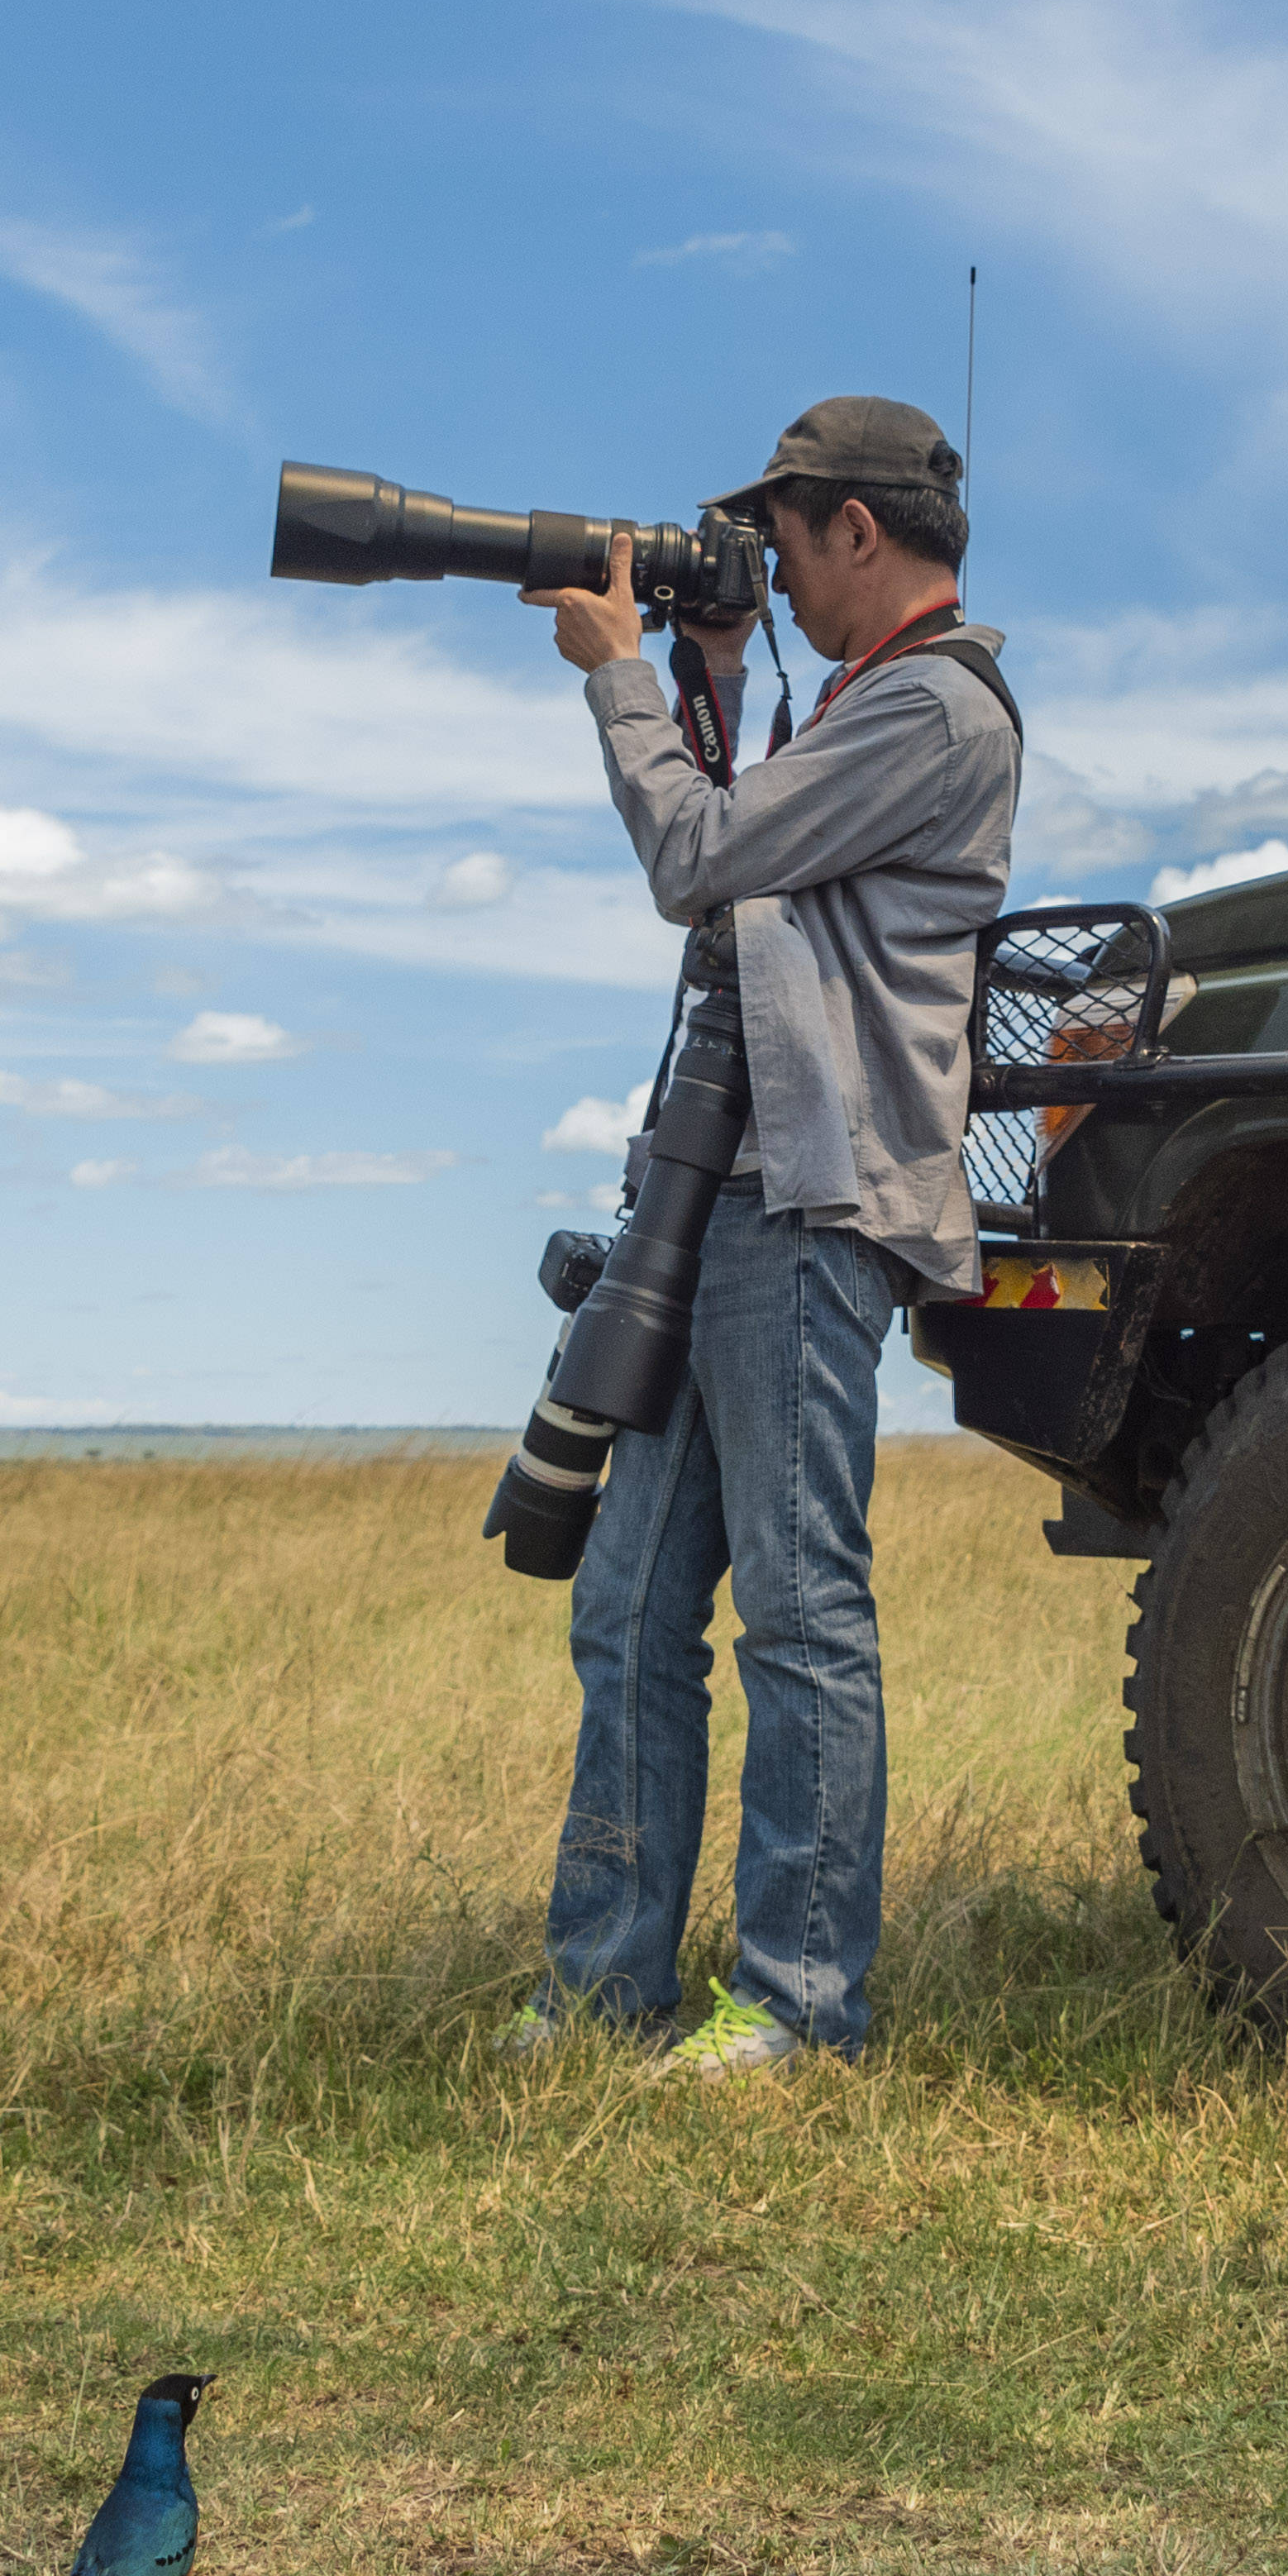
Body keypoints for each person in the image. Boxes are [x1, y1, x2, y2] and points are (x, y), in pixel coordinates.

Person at [512, 394, 1020, 2077]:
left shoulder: (938, 711)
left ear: (855, 530)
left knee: (799, 1617)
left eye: (788, 542)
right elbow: (758, 864)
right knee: (627, 1609)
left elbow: (702, 856)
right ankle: (603, 1990)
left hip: (812, 1203)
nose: (777, 572)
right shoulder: (859, 704)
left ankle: (800, 2012)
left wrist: (622, 674)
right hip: (724, 1190)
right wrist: (719, 674)